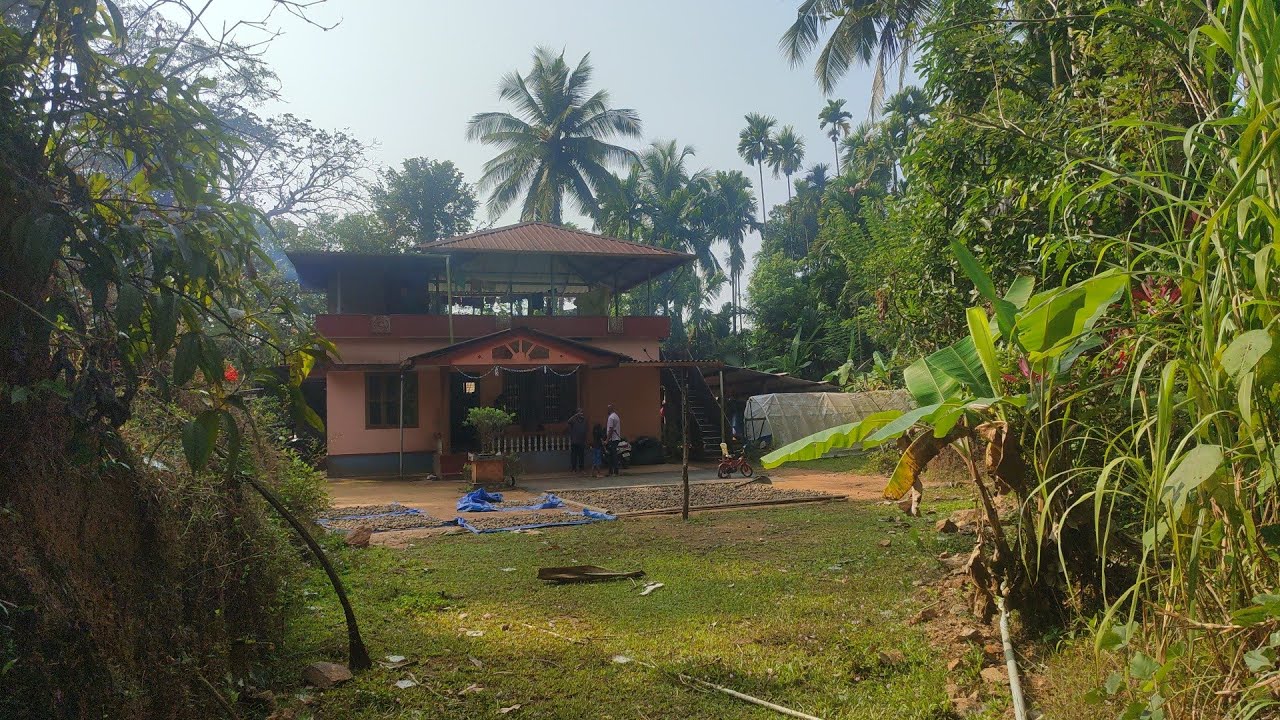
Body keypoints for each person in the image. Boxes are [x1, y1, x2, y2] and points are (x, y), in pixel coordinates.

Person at [566, 408, 587, 474]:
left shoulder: (584, 420)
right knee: (574, 456)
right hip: (574, 441)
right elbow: (568, 421)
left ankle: (582, 469)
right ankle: (573, 469)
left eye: (582, 412)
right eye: (580, 412)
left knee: (581, 456)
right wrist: (575, 415)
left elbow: (585, 429)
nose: (581, 413)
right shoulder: (573, 420)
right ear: (577, 413)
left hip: (581, 441)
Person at [605, 403, 622, 476]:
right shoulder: (616, 416)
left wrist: (607, 440)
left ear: (610, 409)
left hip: (613, 439)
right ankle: (614, 471)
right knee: (614, 455)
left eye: (608, 409)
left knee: (612, 456)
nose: (607, 410)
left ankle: (613, 471)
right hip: (616, 438)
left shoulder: (611, 417)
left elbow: (611, 429)